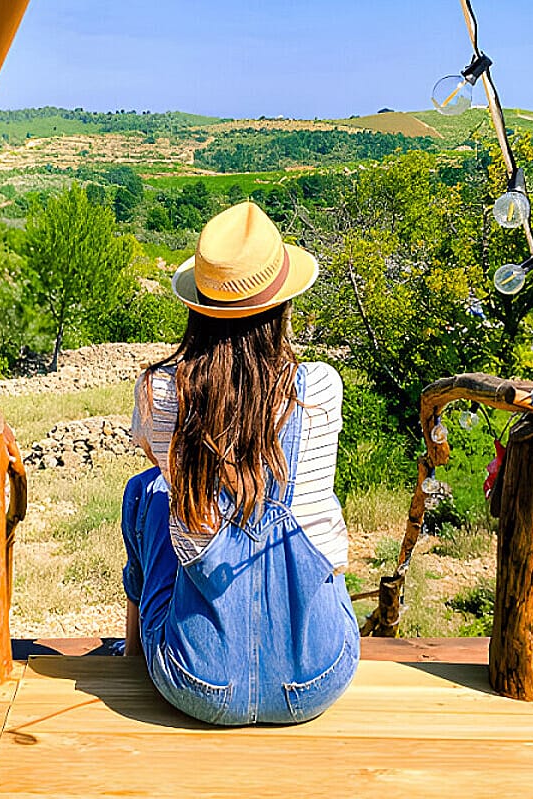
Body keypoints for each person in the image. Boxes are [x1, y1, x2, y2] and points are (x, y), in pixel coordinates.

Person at [123, 201, 358, 726]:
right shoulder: (321, 387)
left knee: (146, 493)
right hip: (318, 676)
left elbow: (155, 460)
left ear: (199, 308)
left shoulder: (158, 391)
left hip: (196, 683)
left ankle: (135, 651)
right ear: (284, 306)